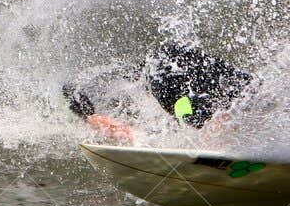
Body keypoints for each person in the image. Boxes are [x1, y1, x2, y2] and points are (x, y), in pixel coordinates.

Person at [62, 40, 252, 144]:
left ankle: (220, 137)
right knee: (245, 90)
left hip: (168, 70)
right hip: (176, 62)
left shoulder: (135, 83)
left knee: (198, 113)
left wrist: (91, 116)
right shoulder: (121, 85)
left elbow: (72, 91)